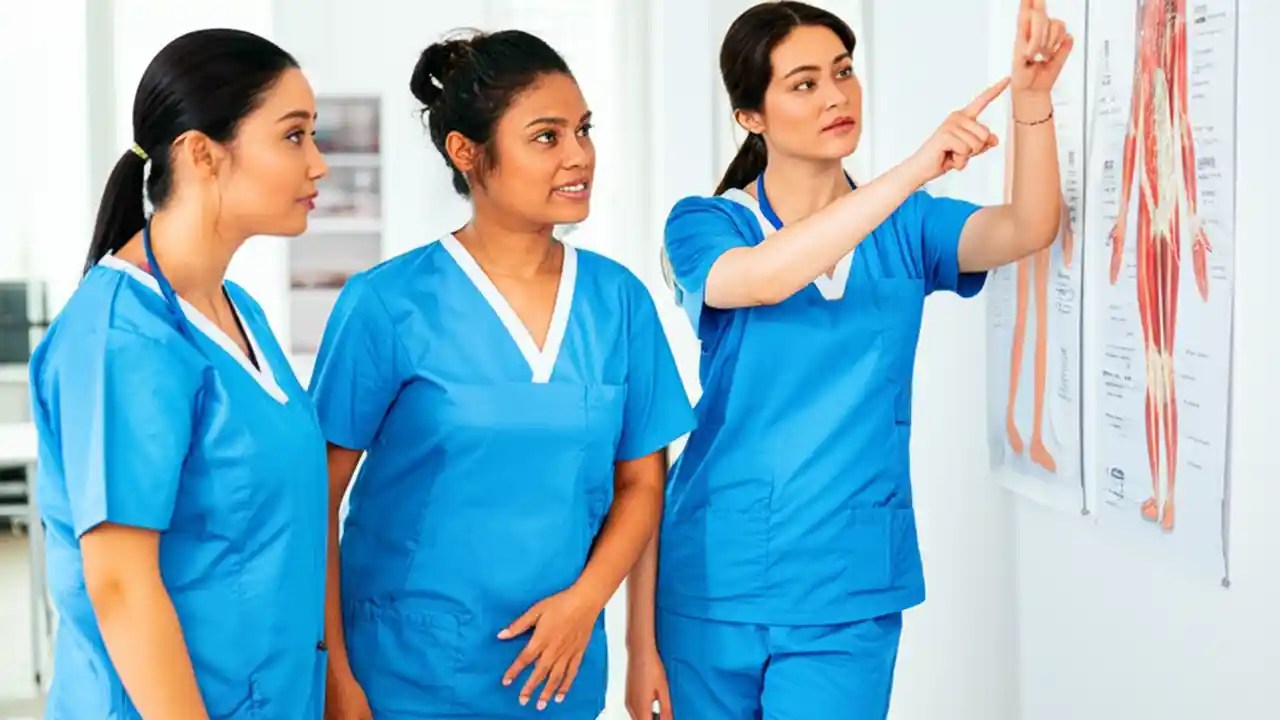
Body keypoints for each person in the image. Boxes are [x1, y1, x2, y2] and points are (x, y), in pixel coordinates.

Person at [626, 1, 1073, 718]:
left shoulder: (910, 228)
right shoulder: (707, 224)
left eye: (843, 72)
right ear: (752, 117)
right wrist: (915, 168)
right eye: (803, 84)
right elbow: (764, 277)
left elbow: (1028, 226)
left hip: (847, 583)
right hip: (714, 579)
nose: (836, 95)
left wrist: (1031, 104)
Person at [312, 29, 694, 720]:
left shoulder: (619, 301)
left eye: (583, 130)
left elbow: (642, 481)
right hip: (404, 674)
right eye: (546, 137)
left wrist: (600, 614)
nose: (579, 155)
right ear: (467, 151)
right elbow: (316, 500)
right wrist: (337, 677)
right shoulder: (386, 304)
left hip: (558, 675)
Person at [29, 29, 330, 718]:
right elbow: (119, 585)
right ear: (202, 153)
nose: (318, 165)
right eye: (294, 137)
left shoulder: (238, 313)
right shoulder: (119, 336)